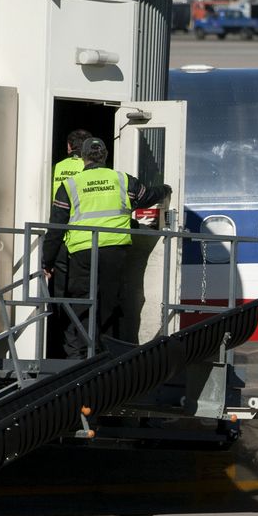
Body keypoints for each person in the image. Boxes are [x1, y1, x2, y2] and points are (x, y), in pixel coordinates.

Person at [42, 138, 171, 359]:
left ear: (83, 157)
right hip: (115, 251)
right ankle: (107, 354)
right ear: (105, 155)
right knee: (110, 302)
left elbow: (56, 228)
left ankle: (82, 356)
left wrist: (47, 262)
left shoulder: (71, 184)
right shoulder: (122, 180)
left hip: (81, 253)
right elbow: (147, 196)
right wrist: (166, 189)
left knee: (82, 302)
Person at [45, 129, 92, 358]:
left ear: (68, 147)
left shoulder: (58, 167)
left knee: (60, 298)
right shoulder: (91, 169)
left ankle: (63, 348)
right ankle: (82, 350)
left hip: (61, 240)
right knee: (84, 298)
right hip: (83, 241)